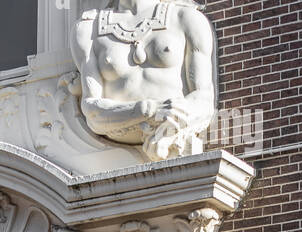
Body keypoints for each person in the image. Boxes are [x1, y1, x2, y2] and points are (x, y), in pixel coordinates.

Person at [72, 1, 215, 161]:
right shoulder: (88, 29)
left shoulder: (187, 18)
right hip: (107, 153)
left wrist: (171, 125)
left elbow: (204, 99)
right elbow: (92, 111)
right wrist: (148, 110)